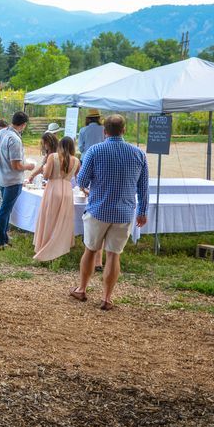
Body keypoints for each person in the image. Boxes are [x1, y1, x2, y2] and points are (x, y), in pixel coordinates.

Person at [71, 115, 149, 310]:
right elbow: (144, 187)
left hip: (98, 209)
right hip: (124, 212)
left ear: (104, 132)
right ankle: (106, 298)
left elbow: (81, 181)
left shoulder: (95, 151)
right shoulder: (138, 154)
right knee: (114, 255)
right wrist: (143, 211)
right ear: (124, 130)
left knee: (90, 249)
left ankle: (82, 289)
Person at [33, 136, 81, 262]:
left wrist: (44, 169)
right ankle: (59, 247)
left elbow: (47, 175)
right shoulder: (76, 160)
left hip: (53, 189)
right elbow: (79, 179)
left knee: (50, 218)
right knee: (63, 221)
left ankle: (45, 246)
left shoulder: (53, 157)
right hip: (67, 190)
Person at [0, 112, 35, 248]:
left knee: (6, 209)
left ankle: (4, 236)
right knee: (5, 210)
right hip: (12, 179)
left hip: (1, 176)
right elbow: (16, 165)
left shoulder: (1, 132)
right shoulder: (14, 139)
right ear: (24, 125)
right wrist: (28, 166)